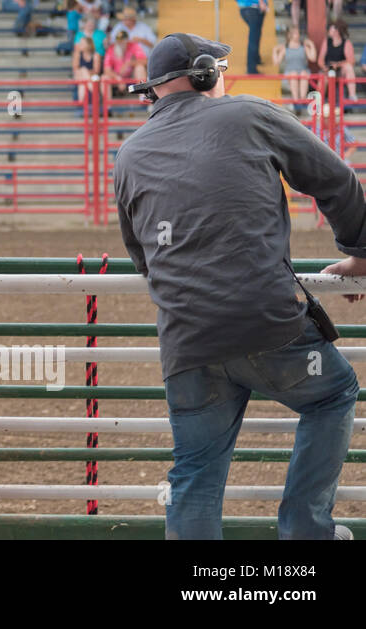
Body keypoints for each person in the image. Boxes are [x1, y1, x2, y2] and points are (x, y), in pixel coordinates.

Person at [114, 32, 366, 540]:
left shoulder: (128, 154)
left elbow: (142, 255)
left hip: (187, 340)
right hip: (267, 320)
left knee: (195, 471)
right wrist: (361, 252)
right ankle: (305, 532)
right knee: (333, 396)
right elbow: (335, 179)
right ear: (206, 72)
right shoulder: (250, 114)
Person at [234, 0, 269, 75]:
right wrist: (262, 4)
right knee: (254, 37)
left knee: (255, 34)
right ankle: (251, 68)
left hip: (243, 10)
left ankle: (256, 59)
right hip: (254, 10)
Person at [273, 25, 316, 112]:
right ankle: (296, 101)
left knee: (303, 74)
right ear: (290, 35)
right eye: (296, 33)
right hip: (290, 73)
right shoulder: (285, 48)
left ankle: (302, 100)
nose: (298, 35)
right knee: (294, 74)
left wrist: (311, 45)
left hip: (303, 72)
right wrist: (275, 50)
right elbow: (276, 62)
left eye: (298, 33)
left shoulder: (303, 46)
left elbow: (313, 58)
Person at [319, 19, 357, 105]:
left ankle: (352, 96)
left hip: (340, 71)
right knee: (323, 77)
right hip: (328, 70)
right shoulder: (326, 42)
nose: (329, 30)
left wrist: (337, 64)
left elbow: (351, 61)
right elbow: (320, 60)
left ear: (337, 31)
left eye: (331, 29)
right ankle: (319, 102)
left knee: (349, 68)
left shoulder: (346, 43)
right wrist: (324, 67)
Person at [103, 28, 148, 97]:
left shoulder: (133, 46)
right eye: (118, 41)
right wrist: (117, 78)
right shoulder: (111, 49)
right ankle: (108, 106)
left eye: (122, 40)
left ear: (127, 40)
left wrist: (129, 63)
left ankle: (143, 98)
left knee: (140, 68)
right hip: (116, 77)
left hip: (131, 76)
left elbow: (144, 61)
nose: (120, 43)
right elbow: (107, 70)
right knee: (104, 77)